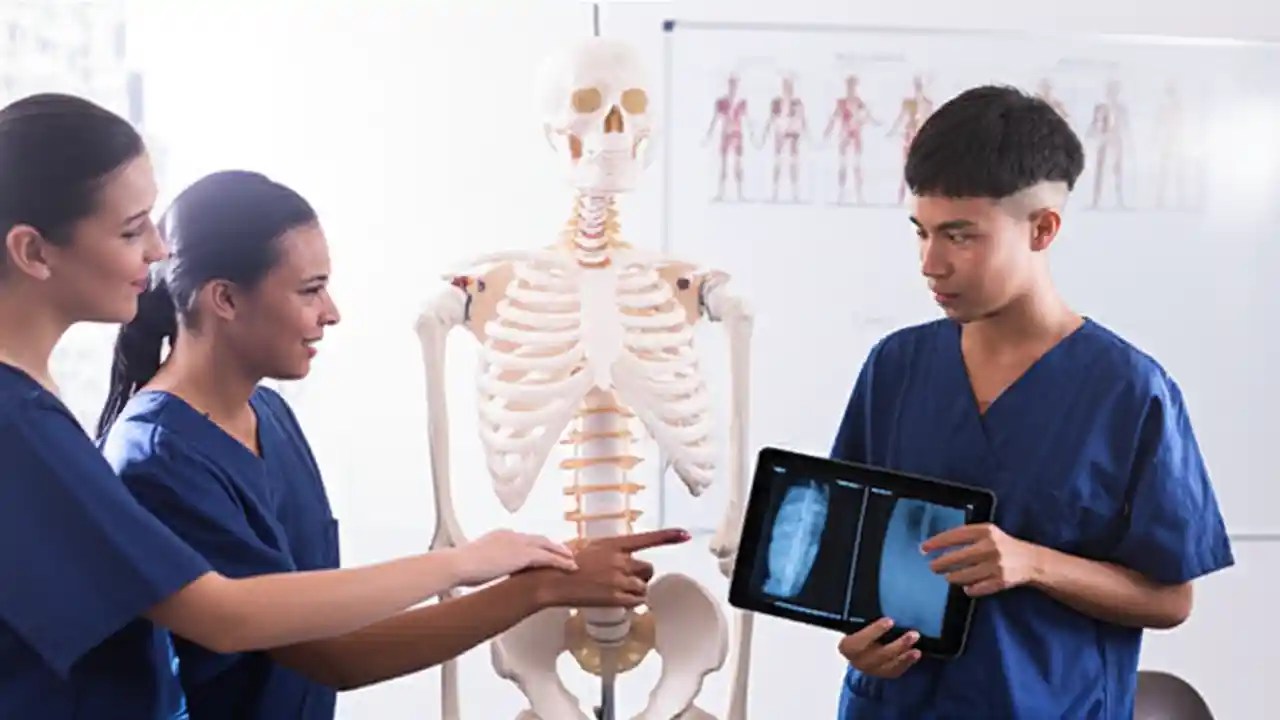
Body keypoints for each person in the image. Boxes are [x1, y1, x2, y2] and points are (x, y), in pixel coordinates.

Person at [0, 92, 606, 719]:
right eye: (131, 230)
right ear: (35, 252)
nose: (157, 251)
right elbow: (229, 616)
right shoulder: (38, 428)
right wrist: (478, 568)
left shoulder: (256, 418)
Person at [93, 168, 689, 719]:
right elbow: (330, 655)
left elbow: (322, 601)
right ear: (224, 299)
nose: (332, 313)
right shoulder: (158, 459)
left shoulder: (267, 414)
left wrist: (521, 568)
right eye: (310, 290)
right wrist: (533, 587)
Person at [829, 85, 1234, 718]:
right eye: (923, 233)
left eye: (960, 236)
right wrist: (857, 643)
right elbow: (850, 558)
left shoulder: (1128, 391)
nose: (931, 264)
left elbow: (1171, 599)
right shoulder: (897, 367)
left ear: (1041, 229)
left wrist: (1034, 564)